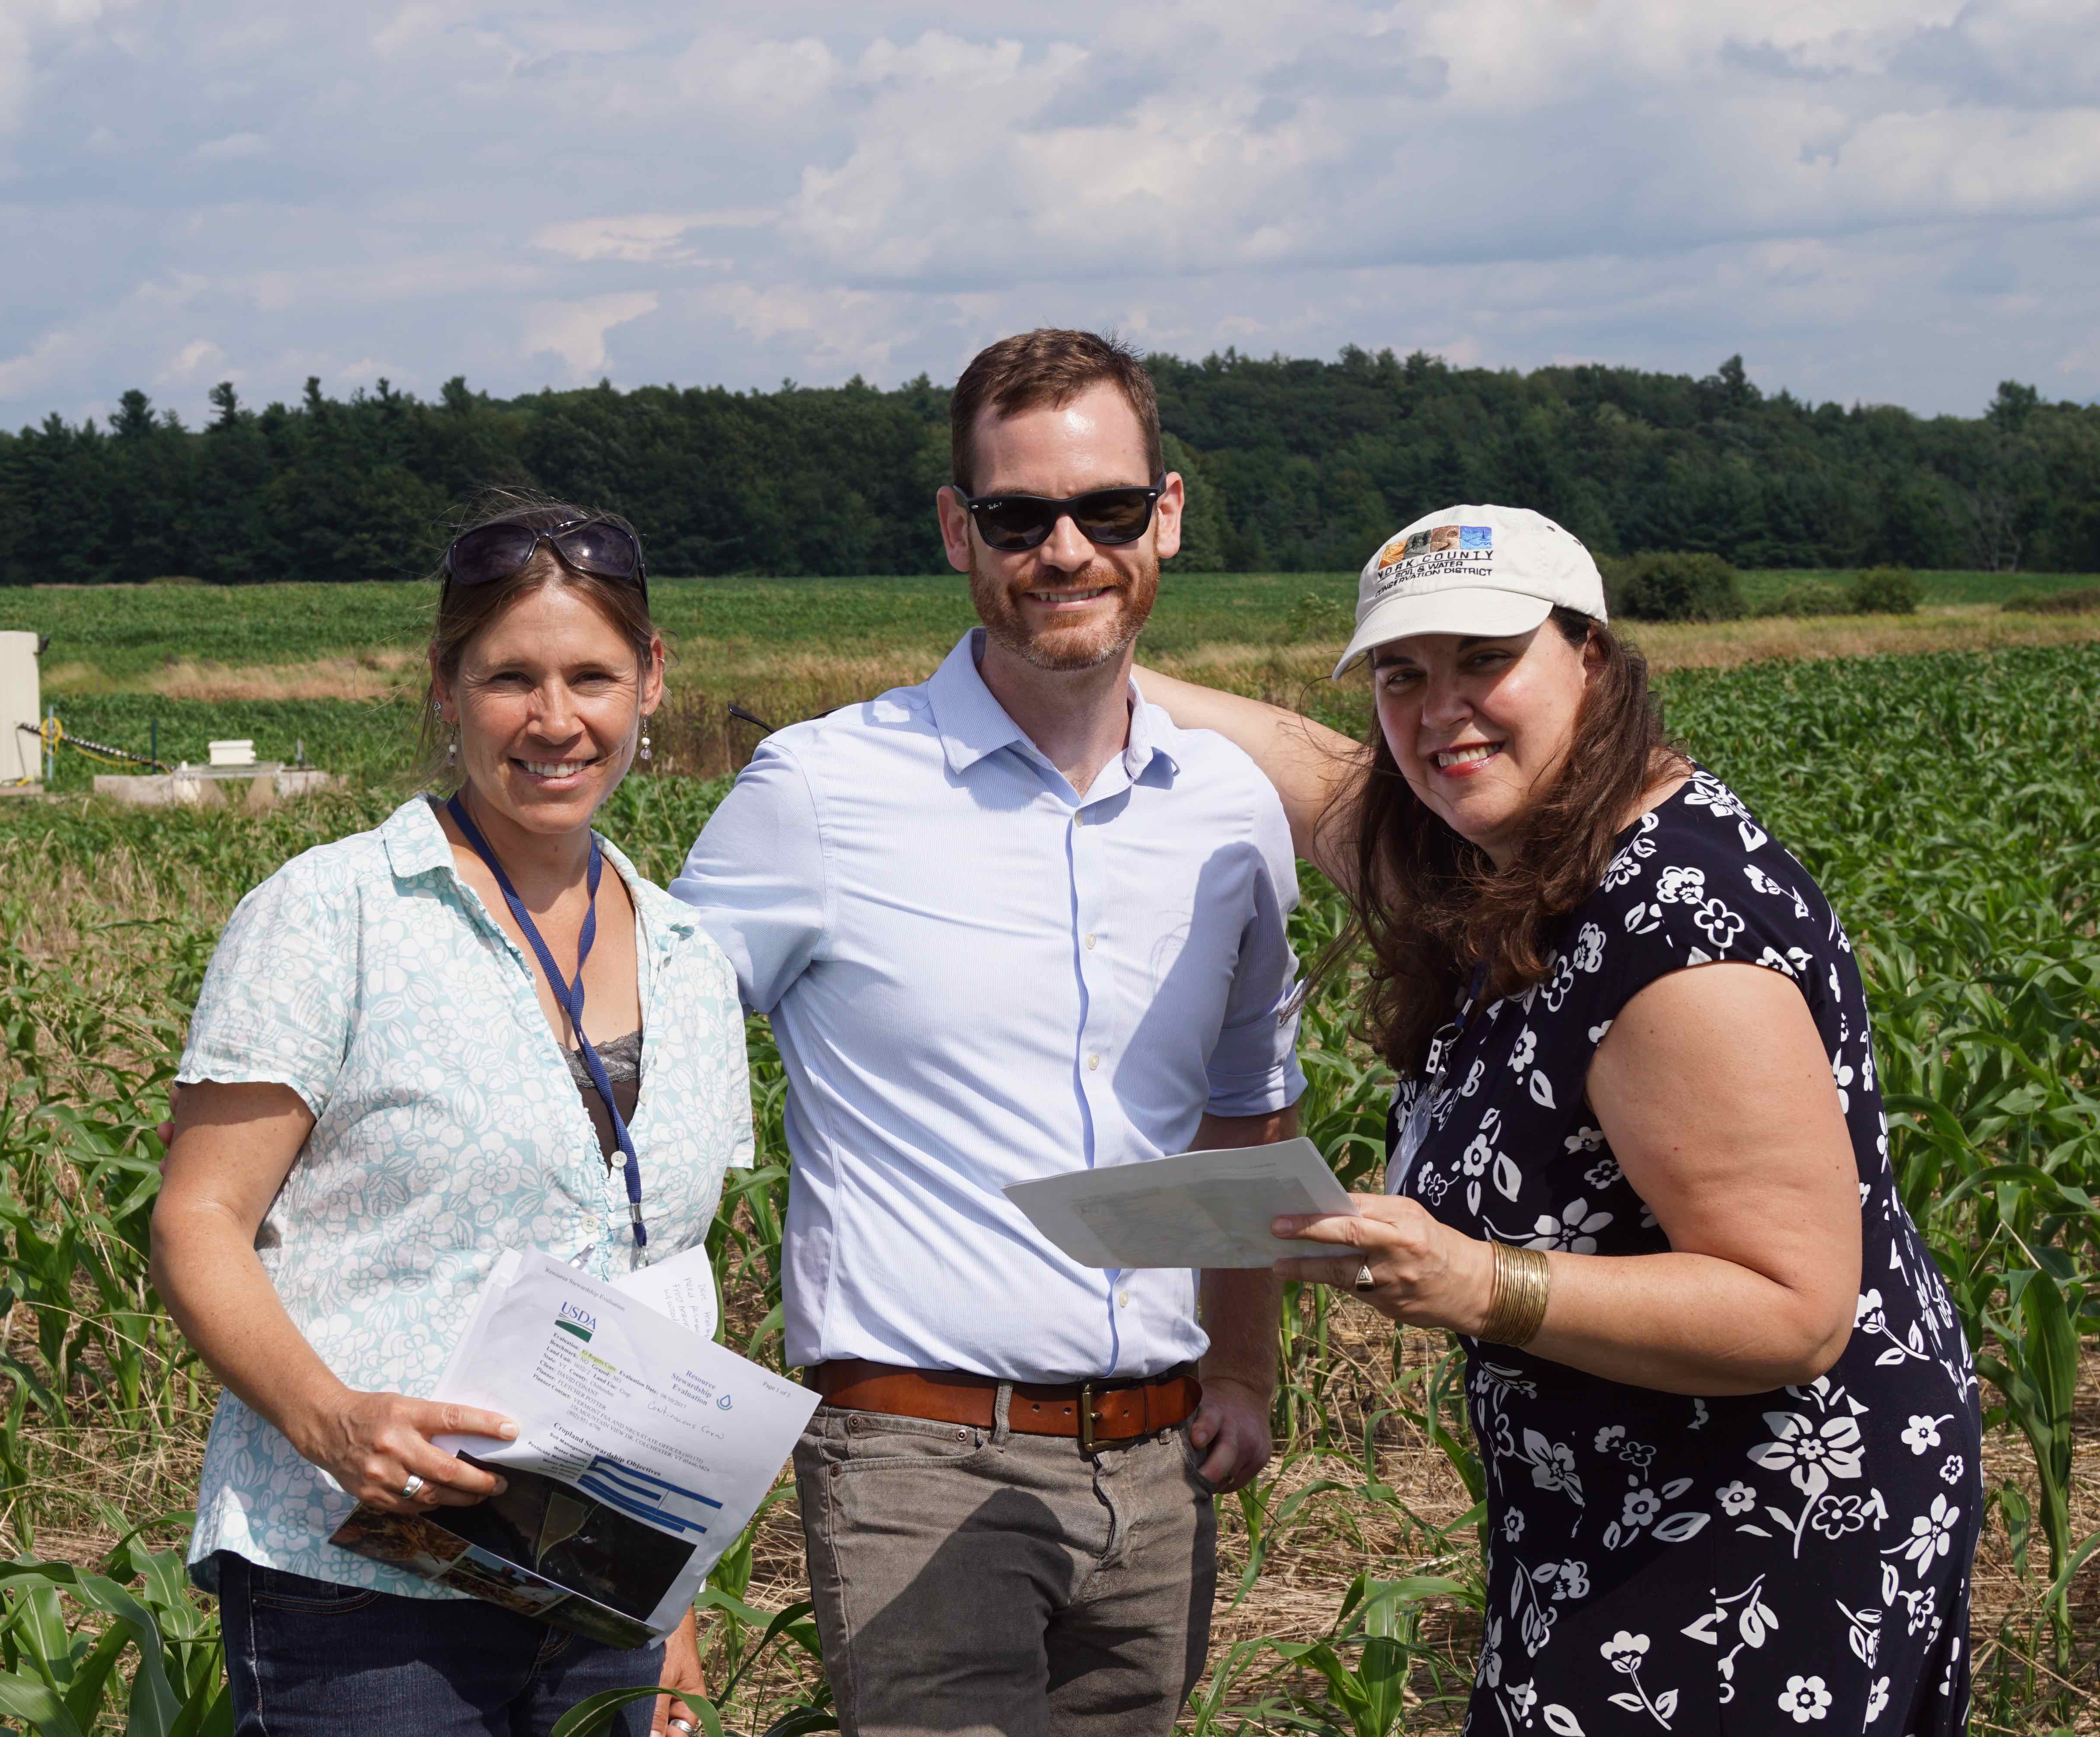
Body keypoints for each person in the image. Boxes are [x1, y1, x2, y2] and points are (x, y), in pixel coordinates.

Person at [1136, 504, 1982, 1734]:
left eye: (1486, 659)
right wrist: (1081, 658)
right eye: (1400, 674)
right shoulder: (1523, 867)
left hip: (1767, 1529)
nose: (1442, 711)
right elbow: (1311, 773)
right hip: (1616, 1509)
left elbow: (1793, 1310)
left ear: (1590, 654)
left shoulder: (1674, 935)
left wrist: (1477, 1283)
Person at [671, 330, 1304, 1737]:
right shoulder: (819, 793)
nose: (1067, 551)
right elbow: (641, 1093)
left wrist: (1244, 1368)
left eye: (1108, 510)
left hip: (1162, 1470)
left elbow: (1247, 1107)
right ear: (960, 532)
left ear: (1169, 516)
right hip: (920, 1460)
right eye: (1020, 518)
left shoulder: (1230, 810)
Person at [149, 499, 755, 1737]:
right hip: (364, 1589)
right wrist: (335, 1422)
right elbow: (195, 1221)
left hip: (601, 1588)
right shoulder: (332, 915)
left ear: (650, 680)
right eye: (510, 678)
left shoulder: (690, 954)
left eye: (592, 677)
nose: (555, 720)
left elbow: (661, 1273)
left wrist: (673, 1604)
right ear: (446, 687)